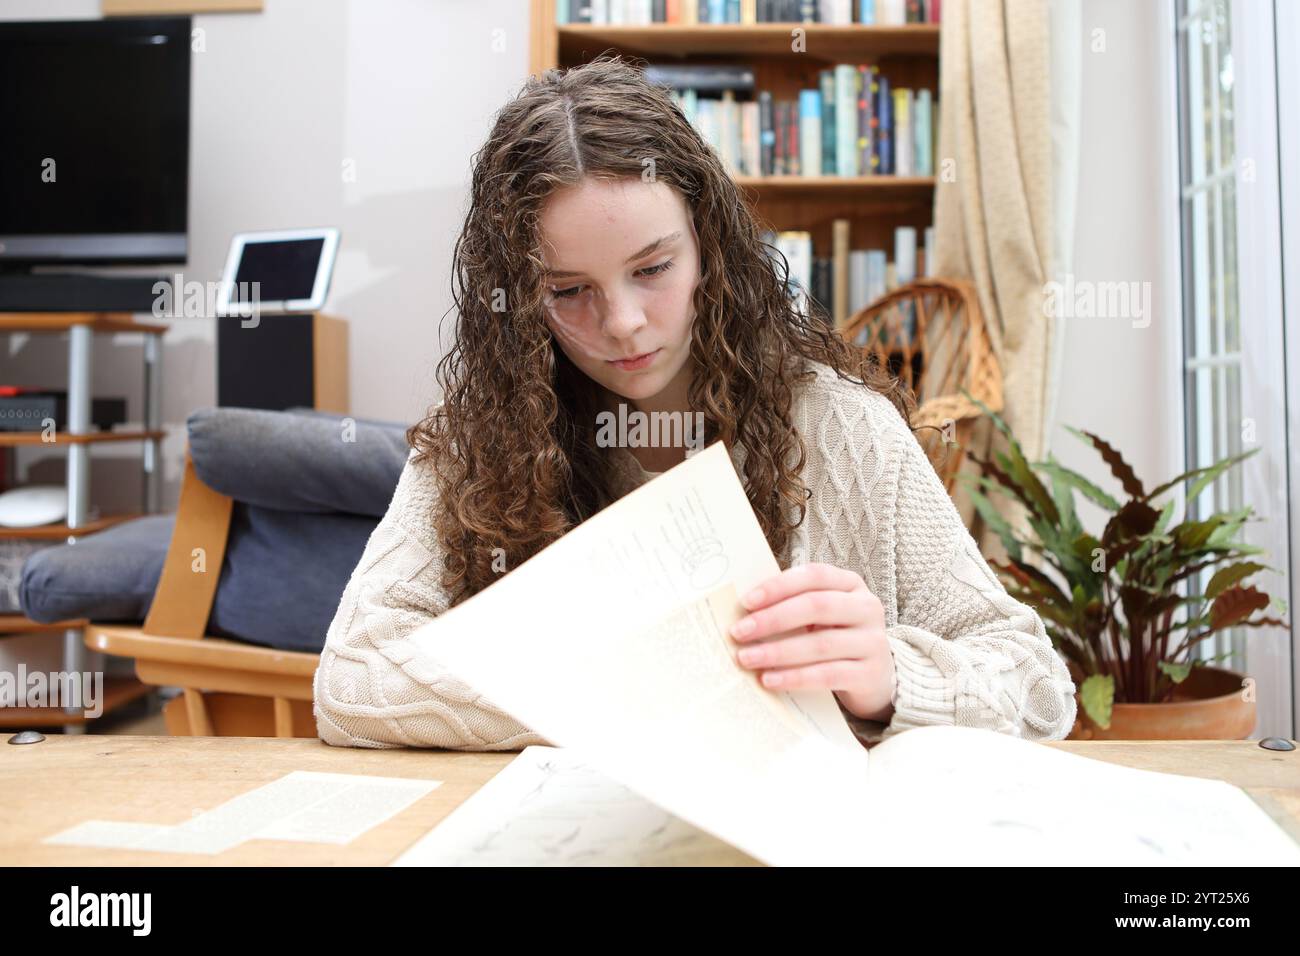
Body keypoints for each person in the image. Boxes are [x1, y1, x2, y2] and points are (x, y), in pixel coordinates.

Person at [313, 54, 1077, 751]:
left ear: (709, 242)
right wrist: (636, 688)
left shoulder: (842, 424)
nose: (622, 324)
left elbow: (1038, 689)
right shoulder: (482, 433)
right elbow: (351, 678)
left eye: (652, 268)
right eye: (568, 292)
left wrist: (889, 680)